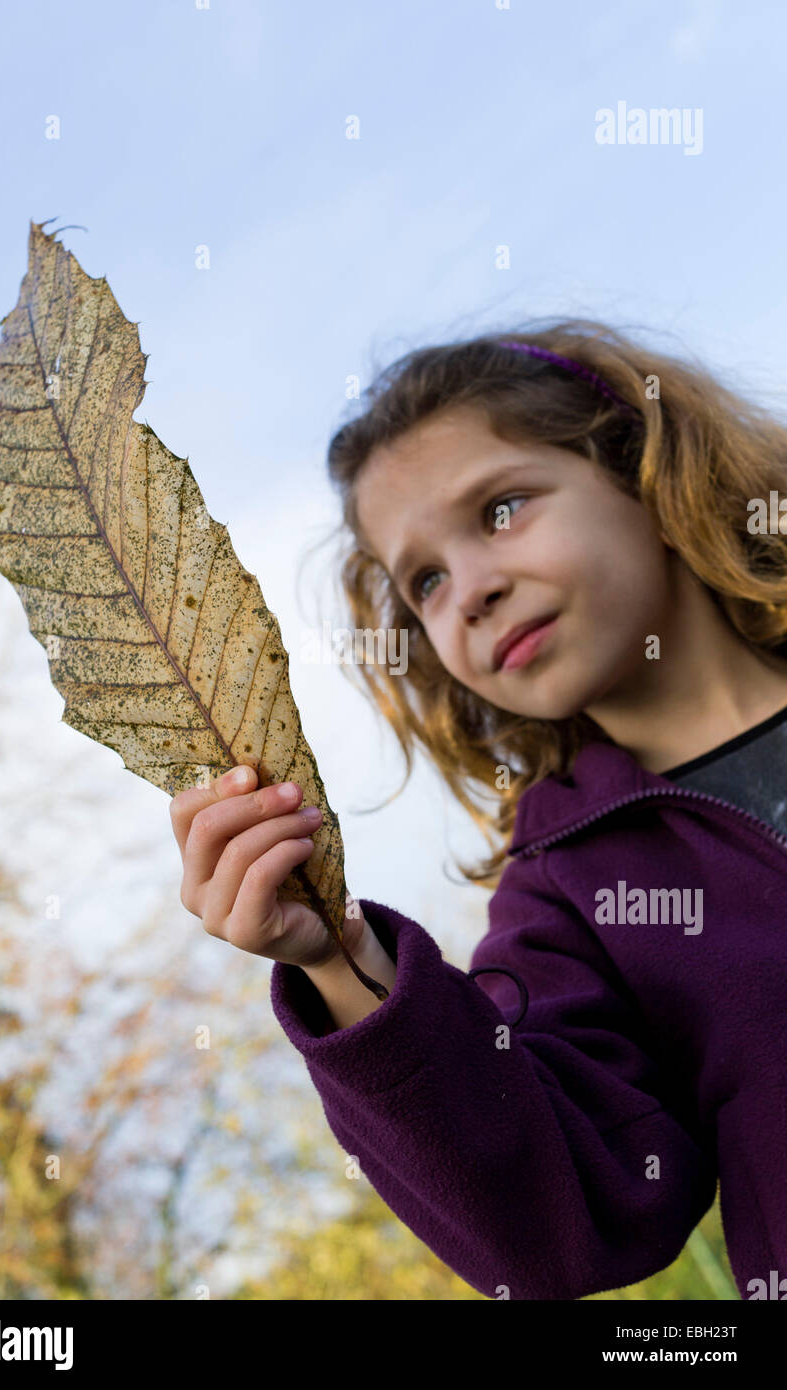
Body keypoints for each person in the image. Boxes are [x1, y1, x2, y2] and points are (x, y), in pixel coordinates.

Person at [170, 320, 787, 1300]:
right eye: (424, 580)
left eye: (500, 509)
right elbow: (556, 1217)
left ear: (640, 469)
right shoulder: (570, 898)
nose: (472, 590)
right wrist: (338, 958)